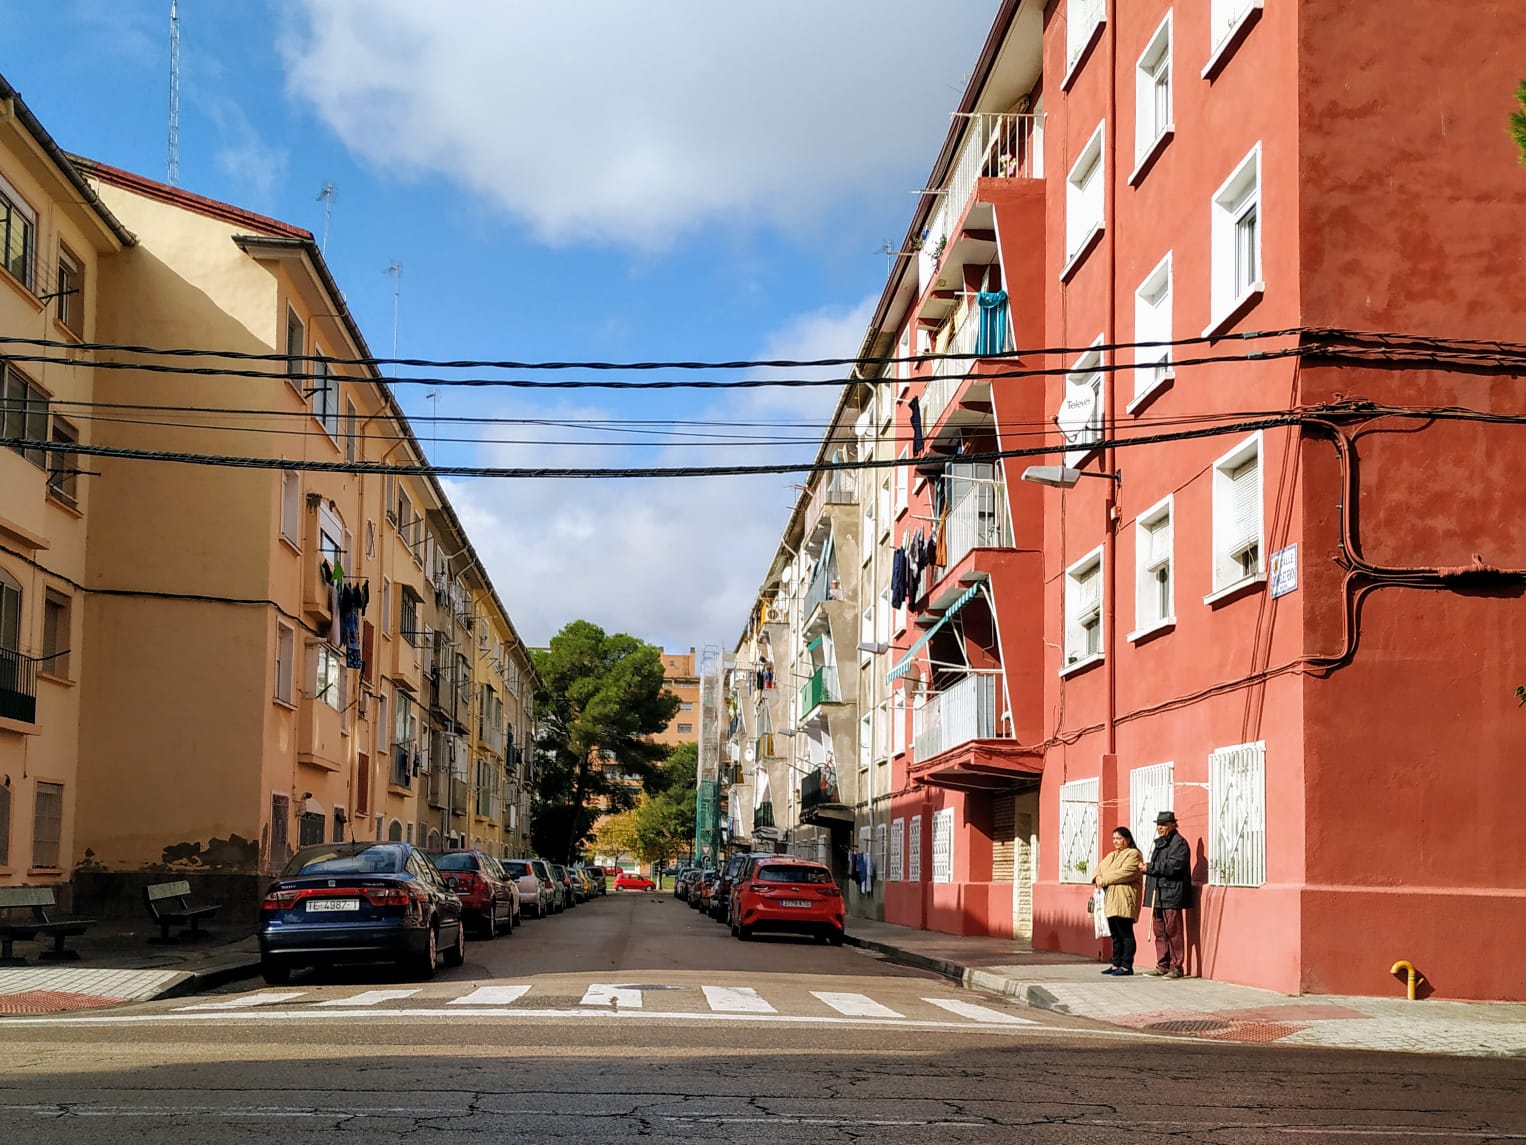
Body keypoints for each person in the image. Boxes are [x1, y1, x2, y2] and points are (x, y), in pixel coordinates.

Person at [1143, 810, 1192, 978]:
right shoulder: (1161, 843)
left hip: (1171, 893)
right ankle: (1162, 964)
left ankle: (1176, 967)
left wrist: (1149, 867)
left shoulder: (1179, 843)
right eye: (1158, 824)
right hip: (1158, 893)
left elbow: (1173, 866)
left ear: (1172, 824)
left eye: (1163, 824)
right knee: (1160, 931)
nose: (1160, 827)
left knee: (1173, 931)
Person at [1092, 826, 1145, 975]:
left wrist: (1104, 879)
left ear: (1127, 839)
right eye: (1114, 838)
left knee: (1125, 933)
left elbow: (1125, 873)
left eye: (1119, 838)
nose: (1116, 841)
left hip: (1124, 898)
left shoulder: (1133, 854)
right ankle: (1116, 963)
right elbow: (1098, 869)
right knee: (1115, 934)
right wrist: (1098, 877)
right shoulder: (1112, 855)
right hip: (1111, 899)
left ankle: (1127, 965)